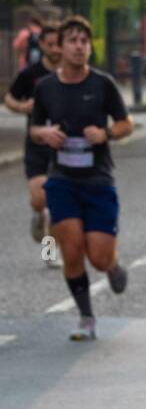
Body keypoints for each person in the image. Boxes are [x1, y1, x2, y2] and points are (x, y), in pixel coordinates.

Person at [29, 16, 135, 341]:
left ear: (89, 47)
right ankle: (86, 316)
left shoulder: (102, 84)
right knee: (72, 251)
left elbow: (126, 123)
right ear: (59, 48)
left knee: (99, 256)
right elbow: (33, 130)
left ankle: (114, 267)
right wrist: (44, 133)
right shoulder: (46, 88)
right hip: (61, 180)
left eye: (84, 42)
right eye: (72, 41)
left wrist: (105, 133)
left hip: (98, 180)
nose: (79, 46)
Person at [5, 21, 61, 250]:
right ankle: (38, 214)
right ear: (42, 45)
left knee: (58, 200)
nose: (56, 49)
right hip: (37, 144)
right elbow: (9, 98)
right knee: (40, 199)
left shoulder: (74, 73)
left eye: (59, 44)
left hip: (66, 146)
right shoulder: (31, 74)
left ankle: (52, 249)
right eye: (50, 44)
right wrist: (22, 107)